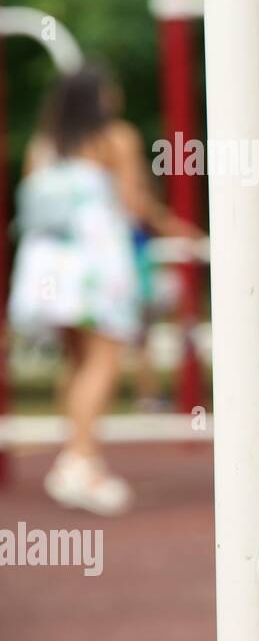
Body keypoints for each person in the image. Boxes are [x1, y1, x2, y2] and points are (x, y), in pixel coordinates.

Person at [9, 65, 202, 514]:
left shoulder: (43, 146)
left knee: (77, 363)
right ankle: (78, 461)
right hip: (95, 267)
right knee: (103, 362)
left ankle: (81, 456)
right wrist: (174, 226)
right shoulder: (115, 139)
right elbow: (134, 203)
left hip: (48, 266)